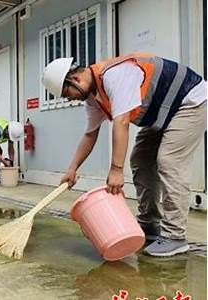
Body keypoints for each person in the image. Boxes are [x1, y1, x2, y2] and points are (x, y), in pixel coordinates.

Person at [42, 52, 207, 257]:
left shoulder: (113, 76)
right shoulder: (94, 99)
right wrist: (72, 169)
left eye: (67, 94)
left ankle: (175, 236)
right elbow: (90, 135)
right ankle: (150, 224)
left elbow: (121, 122)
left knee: (169, 161)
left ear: (75, 79)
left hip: (190, 102)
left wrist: (116, 170)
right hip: (162, 115)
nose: (70, 99)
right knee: (141, 160)